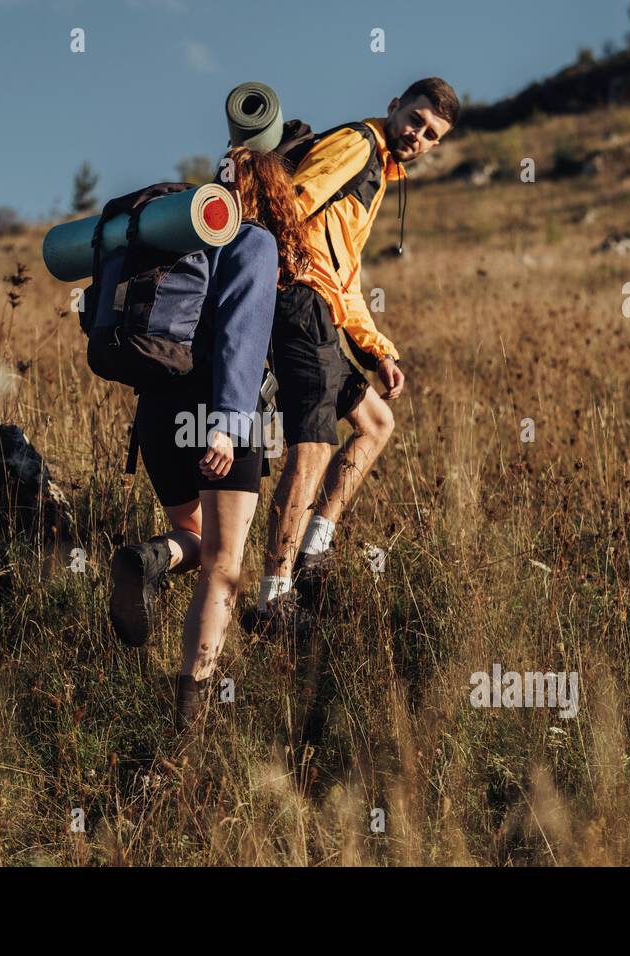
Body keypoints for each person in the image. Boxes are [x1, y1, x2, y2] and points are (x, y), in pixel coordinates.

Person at [108, 147, 311, 729]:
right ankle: (191, 717)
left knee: (191, 536)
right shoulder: (253, 241)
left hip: (156, 414)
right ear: (271, 194)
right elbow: (241, 344)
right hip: (217, 416)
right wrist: (228, 424)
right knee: (224, 565)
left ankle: (152, 556)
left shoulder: (180, 244)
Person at [255, 77, 460, 627]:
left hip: (322, 302)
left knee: (376, 423)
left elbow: (345, 273)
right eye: (415, 120)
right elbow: (293, 201)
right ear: (396, 107)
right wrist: (283, 275)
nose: (417, 135)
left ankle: (313, 553)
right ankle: (273, 595)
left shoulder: (380, 171)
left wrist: (378, 352)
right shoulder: (358, 145)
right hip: (300, 300)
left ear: (435, 145)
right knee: (313, 445)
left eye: (430, 134)